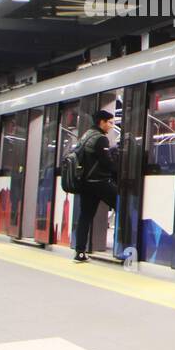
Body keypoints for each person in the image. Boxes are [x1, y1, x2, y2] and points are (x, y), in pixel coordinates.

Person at [72, 110, 118, 262]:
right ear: (102, 122)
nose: (111, 126)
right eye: (110, 122)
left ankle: (79, 252)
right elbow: (106, 162)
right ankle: (126, 246)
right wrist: (118, 172)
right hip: (100, 183)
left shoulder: (86, 136)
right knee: (123, 206)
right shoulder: (100, 139)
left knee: (85, 216)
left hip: (85, 184)